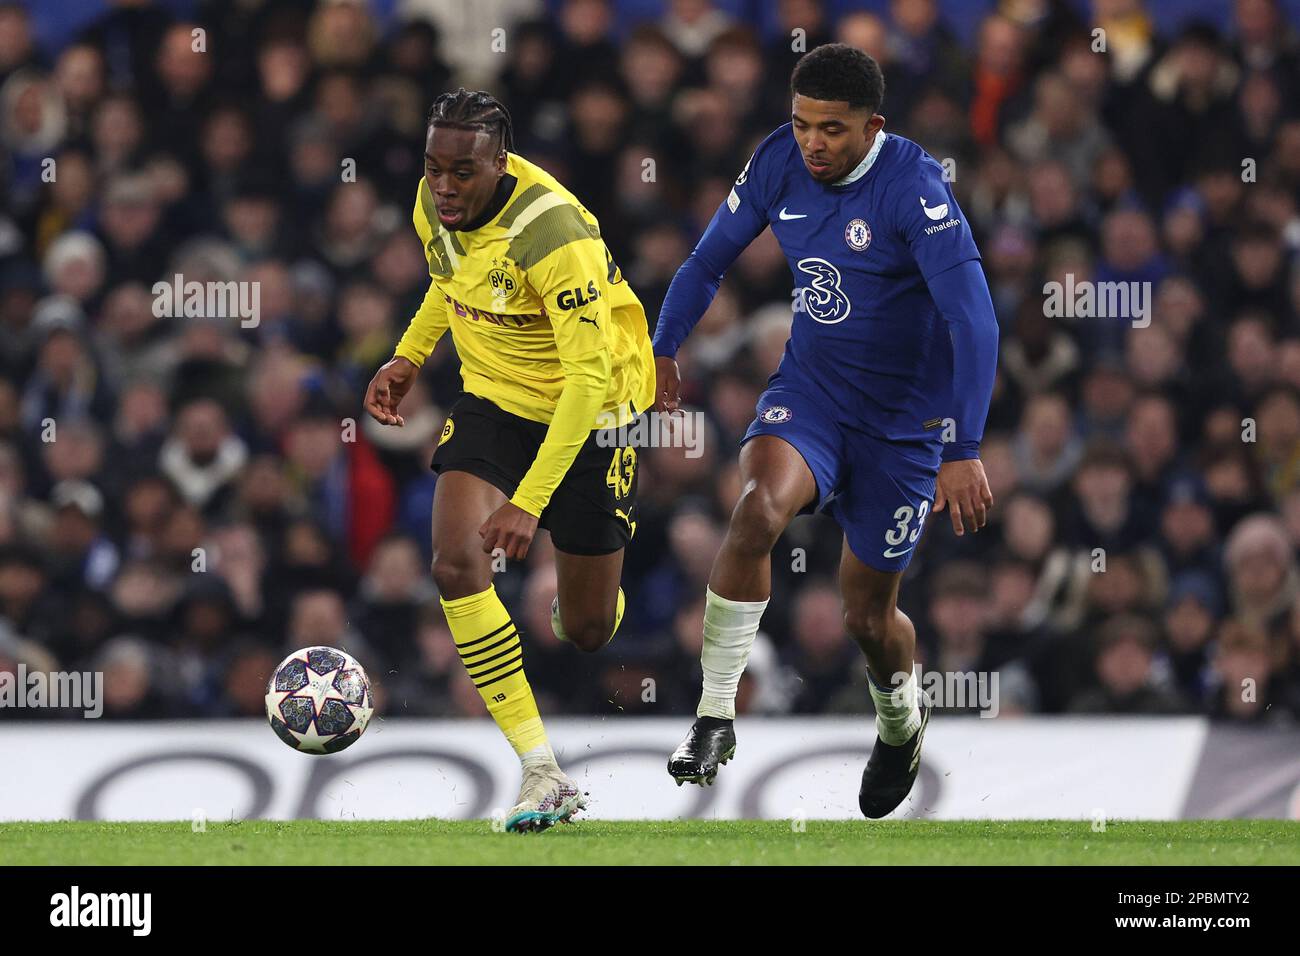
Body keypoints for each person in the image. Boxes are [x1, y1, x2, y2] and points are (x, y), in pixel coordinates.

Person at [653, 45, 999, 817]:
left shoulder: (916, 189)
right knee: (755, 511)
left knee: (867, 618)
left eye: (833, 130)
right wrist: (664, 346)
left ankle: (900, 724)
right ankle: (713, 716)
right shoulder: (778, 159)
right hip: (809, 394)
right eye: (803, 123)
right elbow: (707, 261)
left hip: (903, 429)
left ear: (873, 126)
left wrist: (963, 448)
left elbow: (972, 321)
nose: (813, 142)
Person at [364, 89, 655, 832]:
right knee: (456, 565)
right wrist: (409, 354)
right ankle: (540, 768)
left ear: (503, 162)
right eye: (434, 168)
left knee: (586, 628)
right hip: (493, 397)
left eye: (463, 171)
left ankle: (589, 585)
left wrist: (530, 501)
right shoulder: (435, 205)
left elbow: (588, 382)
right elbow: (449, 280)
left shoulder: (553, 235)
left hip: (594, 411)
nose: (446, 186)